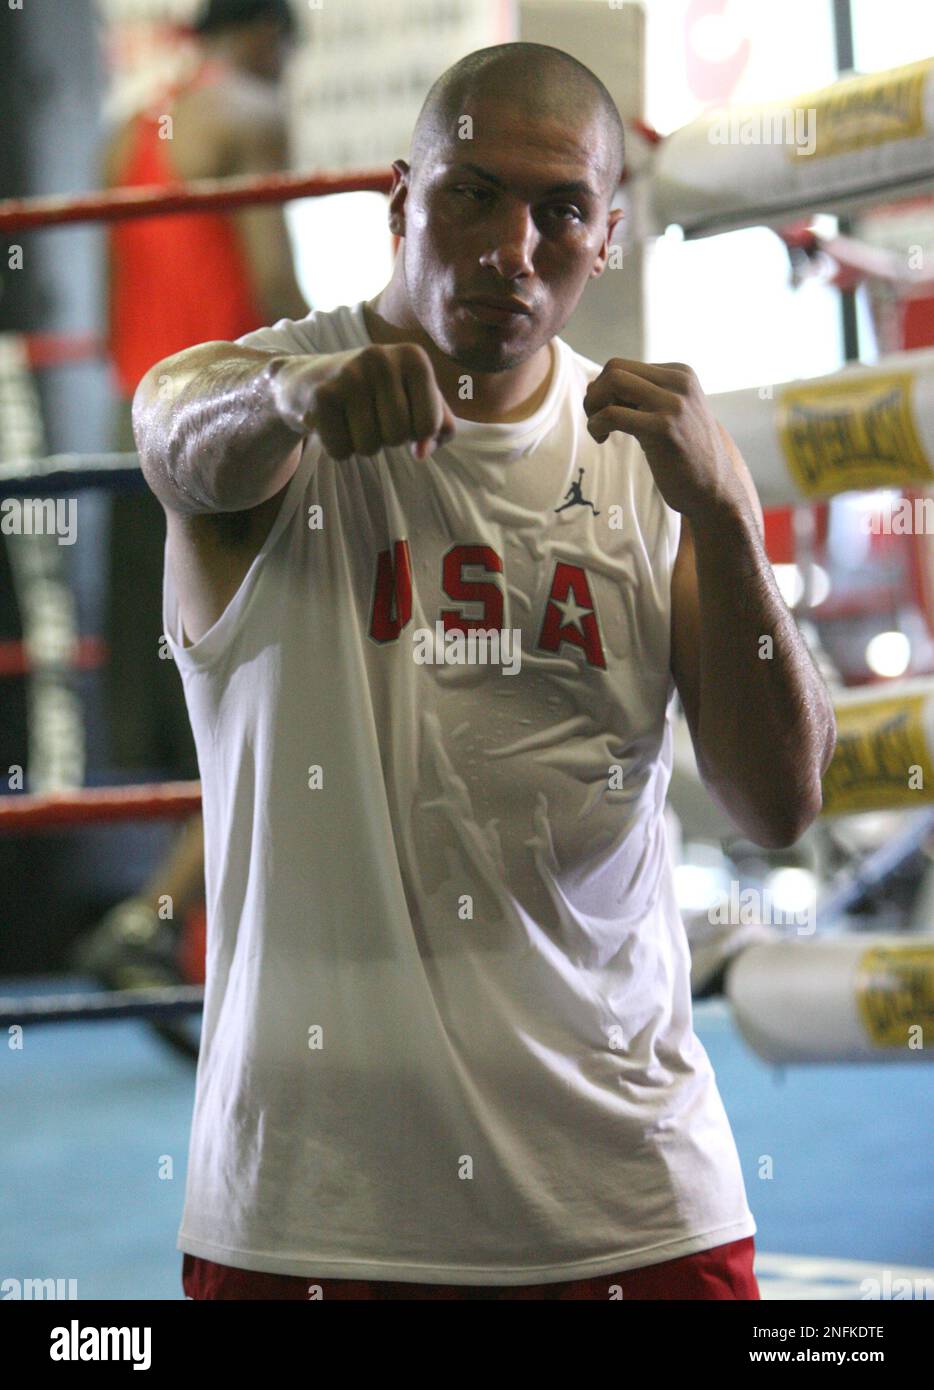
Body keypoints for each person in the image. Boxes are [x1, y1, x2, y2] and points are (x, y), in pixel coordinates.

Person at [134, 42, 837, 1300]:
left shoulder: (646, 459)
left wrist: (729, 518)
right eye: (472, 193)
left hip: (629, 1199)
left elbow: (780, 803)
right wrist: (296, 398)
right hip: (317, 1214)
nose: (512, 244)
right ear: (403, 200)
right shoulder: (274, 411)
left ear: (607, 236)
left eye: (559, 209)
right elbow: (176, 427)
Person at [73, 0, 308, 1004]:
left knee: (202, 706)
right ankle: (160, 921)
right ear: (264, 38)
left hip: (141, 443)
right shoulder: (248, 110)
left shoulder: (127, 129)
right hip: (229, 445)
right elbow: (275, 286)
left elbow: (108, 304)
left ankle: (176, 927)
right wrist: (326, 398)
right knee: (282, 693)